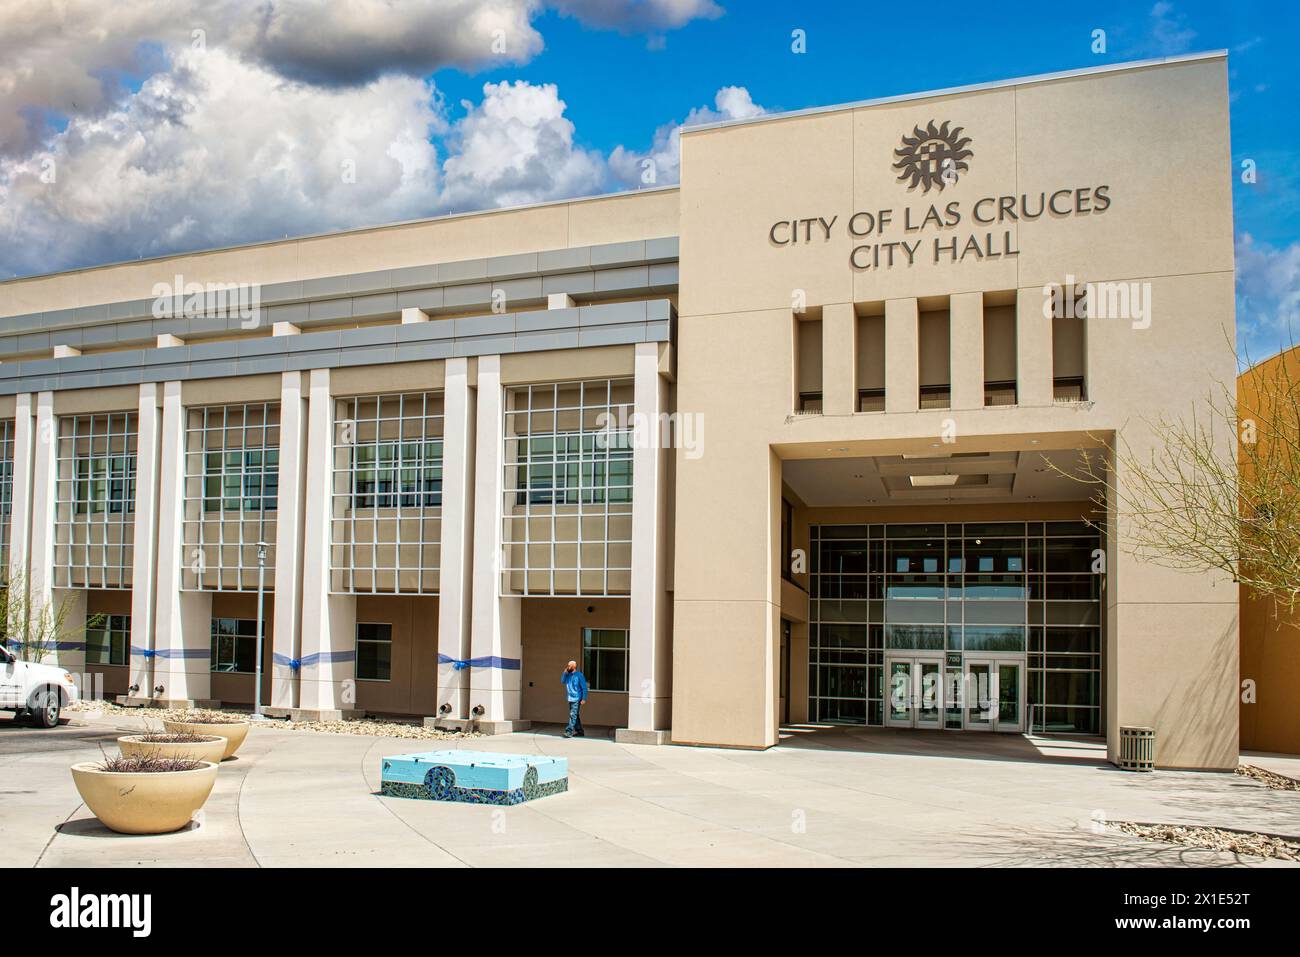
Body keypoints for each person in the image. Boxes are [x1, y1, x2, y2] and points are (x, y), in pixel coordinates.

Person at [561, 659, 588, 738]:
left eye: (569, 666)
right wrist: (564, 673)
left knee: (573, 715)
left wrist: (584, 698)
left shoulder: (579, 675)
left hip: (577, 698)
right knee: (575, 715)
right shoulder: (567, 675)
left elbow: (584, 687)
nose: (567, 667)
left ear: (573, 666)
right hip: (570, 698)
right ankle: (580, 731)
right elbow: (562, 681)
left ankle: (569, 731)